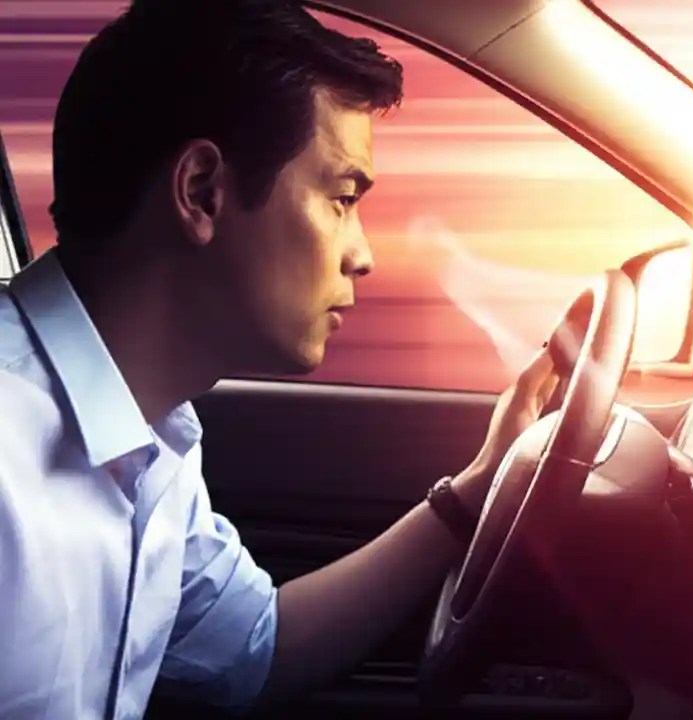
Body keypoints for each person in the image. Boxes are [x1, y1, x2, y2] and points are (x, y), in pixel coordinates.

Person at [0, 1, 559, 717]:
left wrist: (480, 487)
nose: (364, 255)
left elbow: (256, 649)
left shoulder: (152, 435)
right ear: (203, 191)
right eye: (342, 197)